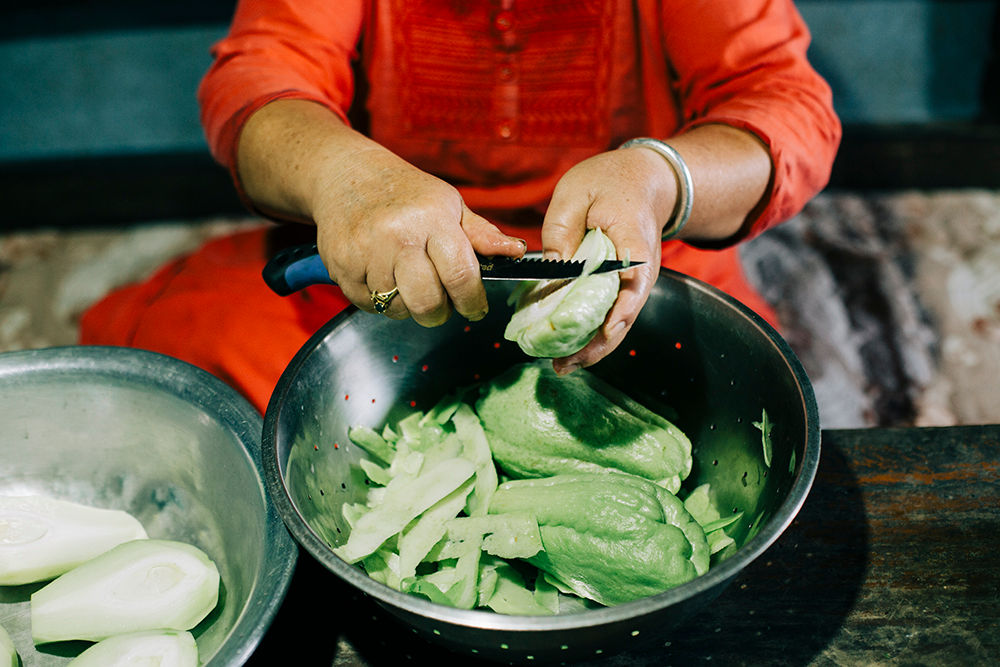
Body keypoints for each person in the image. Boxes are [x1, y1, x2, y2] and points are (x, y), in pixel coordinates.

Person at [80, 0, 841, 414]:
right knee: (186, 365)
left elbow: (785, 105)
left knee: (733, 400)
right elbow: (257, 77)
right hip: (393, 248)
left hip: (626, 249)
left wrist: (660, 177)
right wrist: (346, 175)